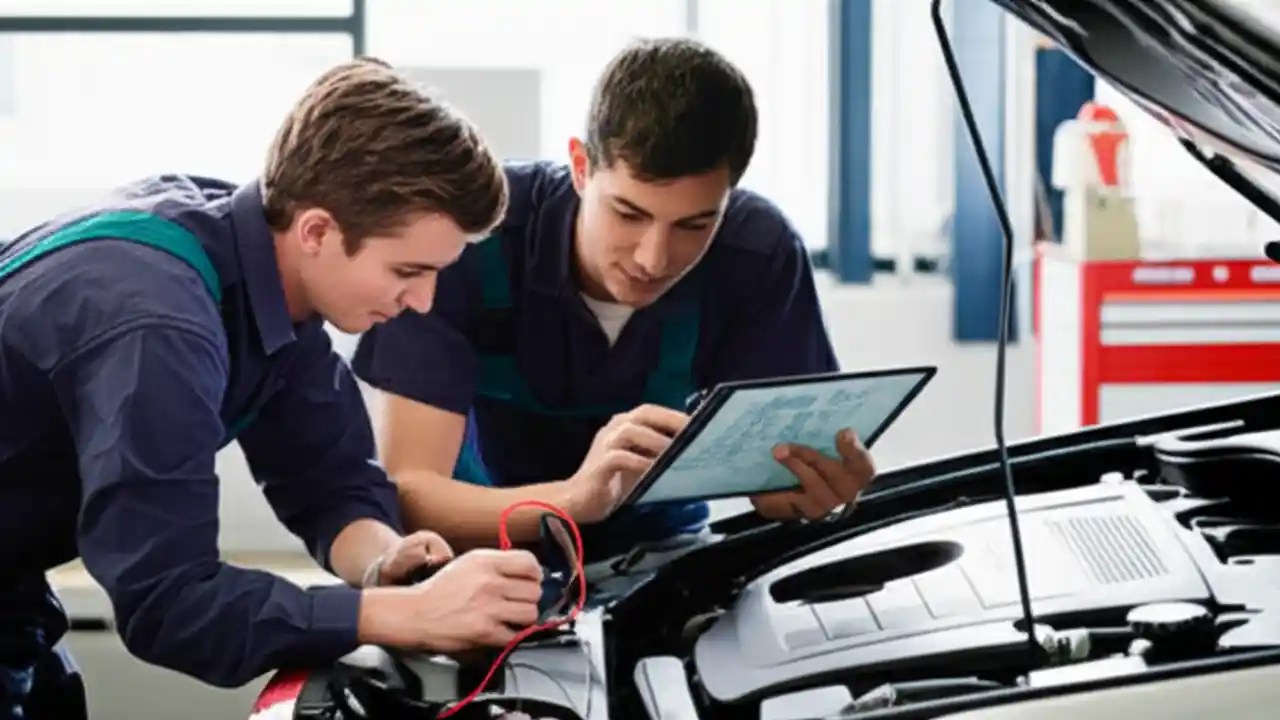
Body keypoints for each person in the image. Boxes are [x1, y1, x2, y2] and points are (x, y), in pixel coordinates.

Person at [0, 58, 544, 719]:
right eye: (408, 271)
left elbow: (326, 476)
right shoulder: (159, 327)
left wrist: (386, 560)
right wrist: (405, 616)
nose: (424, 301)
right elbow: (170, 602)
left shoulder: (252, 256)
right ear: (317, 231)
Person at [351, 38, 877, 571]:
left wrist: (807, 493)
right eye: (628, 214)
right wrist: (572, 502)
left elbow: (778, 488)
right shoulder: (471, 238)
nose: (653, 258)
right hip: (478, 558)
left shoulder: (759, 254)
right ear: (581, 167)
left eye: (694, 225)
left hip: (667, 560)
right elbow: (410, 489)